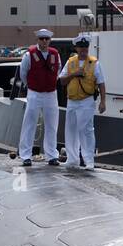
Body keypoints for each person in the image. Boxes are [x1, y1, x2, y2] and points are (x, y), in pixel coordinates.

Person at [59, 33, 107, 170]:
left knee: (86, 130)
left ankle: (89, 160)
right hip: (72, 100)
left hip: (86, 100)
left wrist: (103, 101)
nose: (83, 50)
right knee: (71, 130)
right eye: (81, 47)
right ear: (76, 48)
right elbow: (62, 81)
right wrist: (74, 74)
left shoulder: (94, 63)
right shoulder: (70, 62)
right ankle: (72, 159)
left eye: (85, 47)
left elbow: (101, 83)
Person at [17, 29, 61, 167]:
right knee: (29, 124)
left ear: (50, 40)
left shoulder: (55, 54)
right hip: (35, 93)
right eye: (42, 39)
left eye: (47, 39)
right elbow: (23, 73)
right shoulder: (29, 55)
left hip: (51, 93)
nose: (44, 41)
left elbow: (58, 70)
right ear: (38, 40)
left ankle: (52, 155)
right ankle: (25, 155)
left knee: (52, 125)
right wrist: (31, 86)